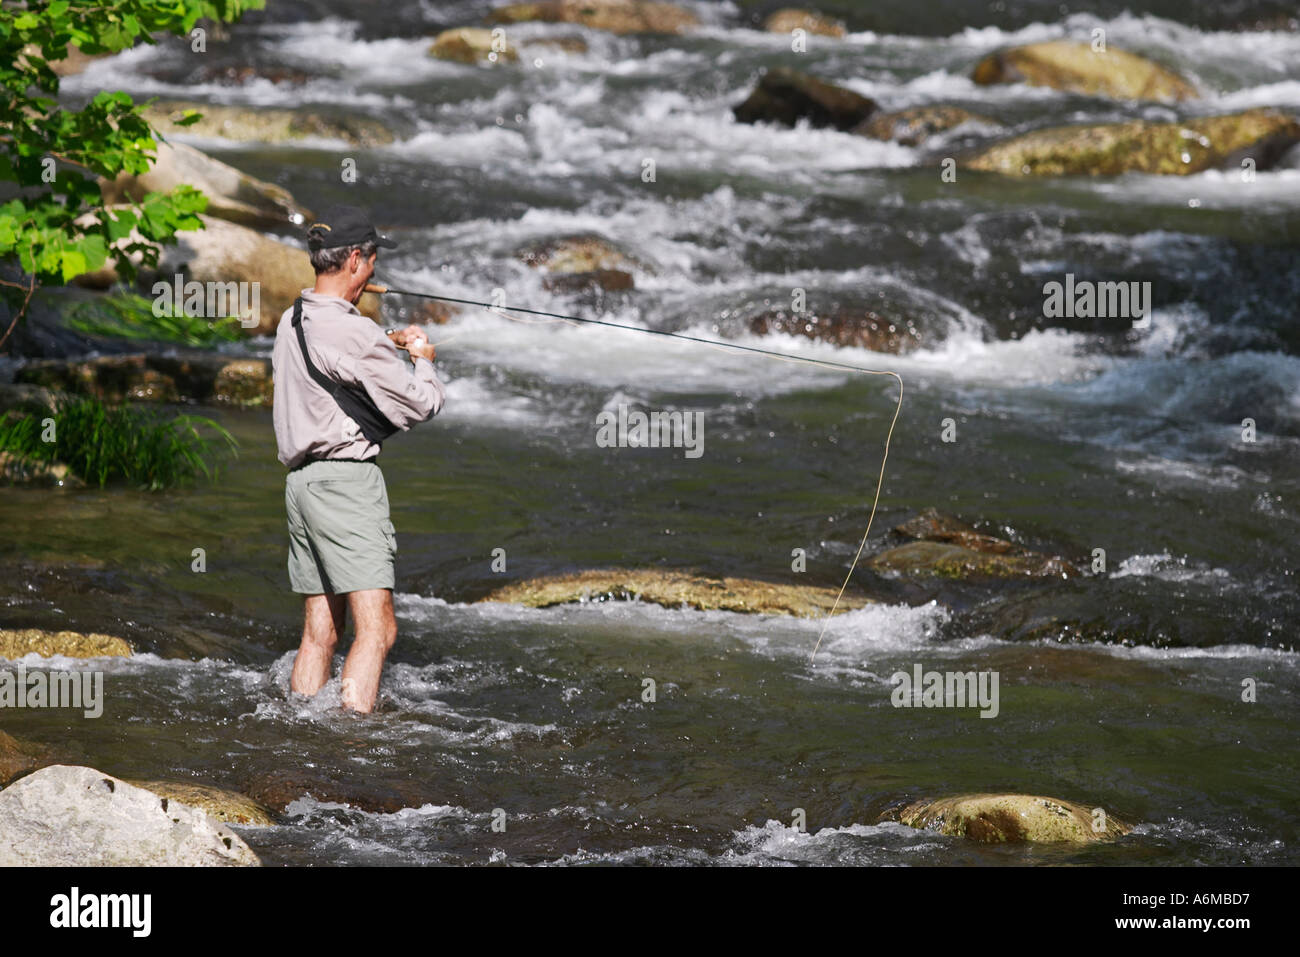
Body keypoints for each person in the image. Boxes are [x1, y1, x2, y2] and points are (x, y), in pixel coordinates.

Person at [271, 204, 445, 713]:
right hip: (345, 486)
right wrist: (421, 360)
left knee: (321, 631)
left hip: (301, 487)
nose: (372, 271)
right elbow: (419, 404)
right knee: (379, 631)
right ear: (352, 263)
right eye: (370, 260)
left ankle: (298, 728)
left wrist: (382, 344)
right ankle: (351, 741)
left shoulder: (292, 319)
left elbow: (333, 366)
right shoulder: (353, 333)